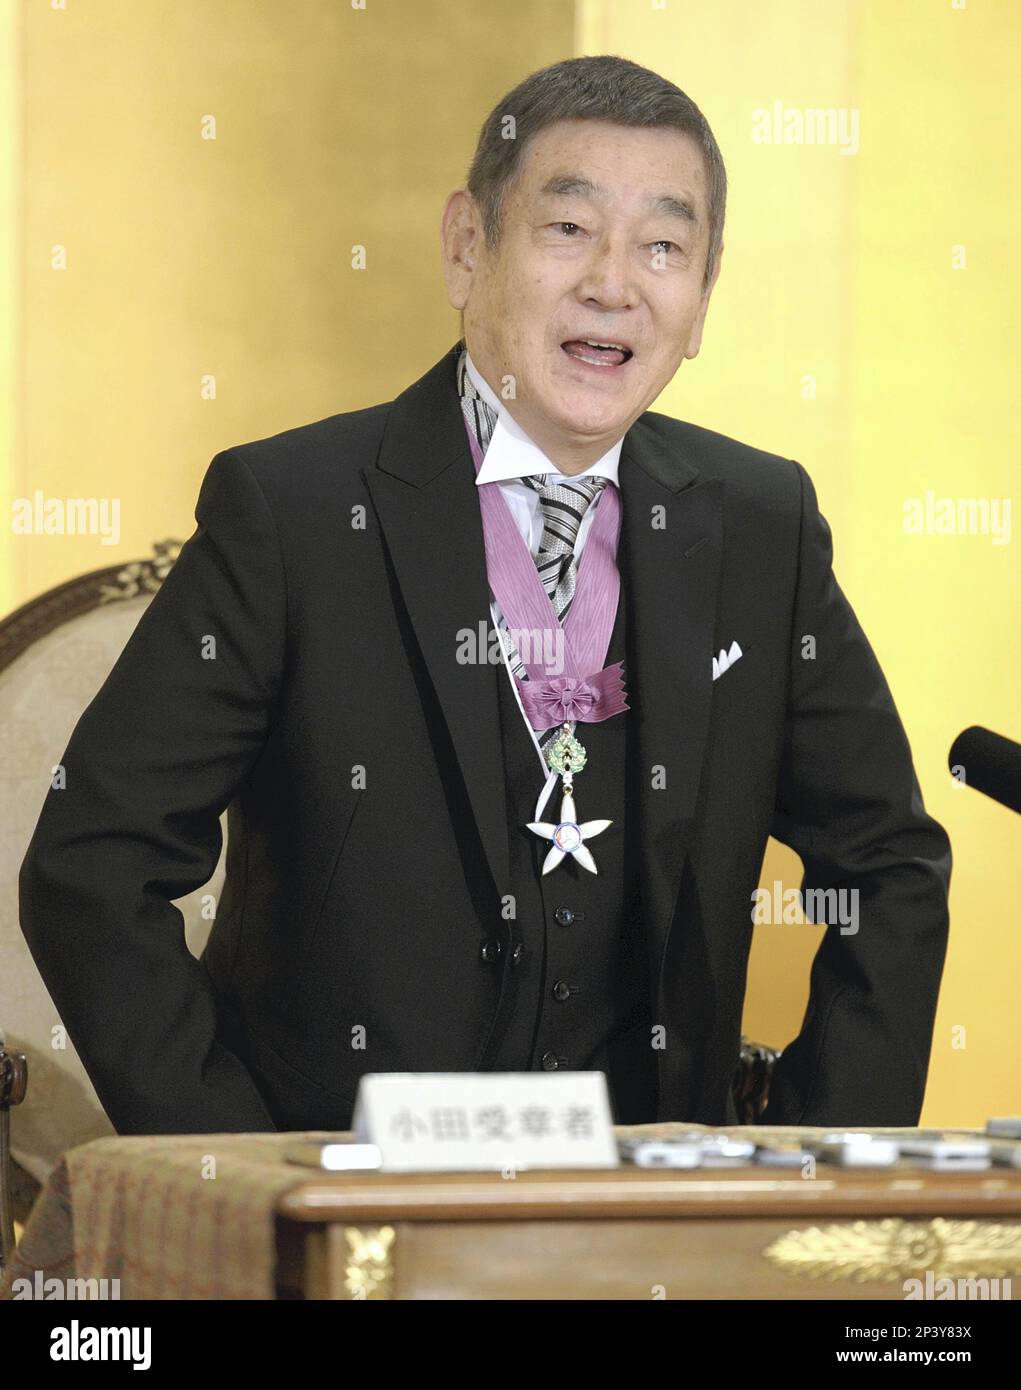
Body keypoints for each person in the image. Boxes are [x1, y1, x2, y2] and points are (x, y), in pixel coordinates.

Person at [18, 55, 951, 1135]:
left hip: (642, 1223)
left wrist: (819, 1158)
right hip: (343, 1227)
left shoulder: (758, 525)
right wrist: (235, 1161)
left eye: (662, 245)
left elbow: (886, 865)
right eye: (568, 230)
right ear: (468, 247)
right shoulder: (296, 509)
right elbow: (95, 860)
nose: (614, 282)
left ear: (700, 301)